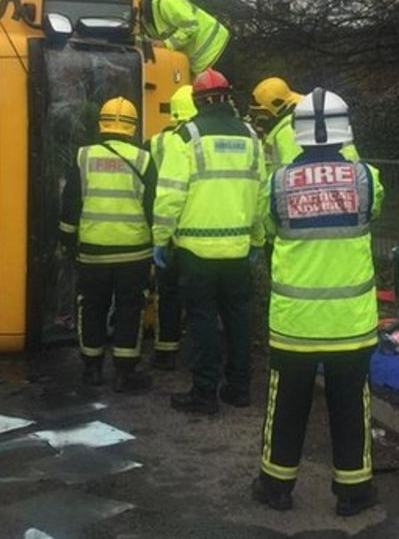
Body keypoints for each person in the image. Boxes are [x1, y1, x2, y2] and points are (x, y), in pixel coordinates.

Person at [252, 88, 384, 517]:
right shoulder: (366, 178)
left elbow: (268, 228)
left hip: (296, 324)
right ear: (345, 132)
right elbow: (373, 213)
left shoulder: (277, 183)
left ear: (298, 133)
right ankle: (354, 493)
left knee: (286, 407)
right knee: (350, 406)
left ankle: (275, 488)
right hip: (350, 322)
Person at [151, 68, 266, 414]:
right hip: (238, 251)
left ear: (198, 102)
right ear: (229, 97)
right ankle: (239, 389)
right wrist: (257, 240)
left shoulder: (186, 137)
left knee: (202, 322)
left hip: (196, 252)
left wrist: (160, 238)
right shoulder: (251, 136)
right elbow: (260, 193)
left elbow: (170, 195)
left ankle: (205, 395)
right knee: (238, 320)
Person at [59, 96, 156, 393]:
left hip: (93, 251)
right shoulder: (144, 159)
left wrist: (67, 239)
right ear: (132, 127)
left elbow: (71, 202)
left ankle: (92, 369)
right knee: (130, 308)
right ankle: (124, 373)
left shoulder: (83, 156)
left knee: (92, 307)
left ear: (101, 124)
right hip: (134, 251)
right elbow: (153, 206)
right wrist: (158, 245)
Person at [147, 85, 197, 371]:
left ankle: (166, 351)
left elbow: (157, 191)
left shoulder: (157, 142)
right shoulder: (202, 141)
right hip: (196, 232)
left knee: (168, 294)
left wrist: (159, 236)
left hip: (168, 230)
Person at [117, 0, 231, 78]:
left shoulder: (165, 2)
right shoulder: (147, 20)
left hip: (216, 48)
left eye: (128, 3)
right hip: (200, 62)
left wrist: (165, 44)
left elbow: (191, 27)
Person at [249, 77, 361, 175]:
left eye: (260, 113)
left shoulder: (288, 132)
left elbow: (294, 174)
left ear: (273, 110)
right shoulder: (302, 121)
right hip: (348, 178)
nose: (256, 119)